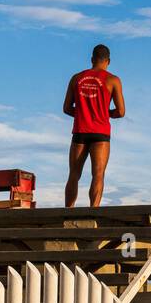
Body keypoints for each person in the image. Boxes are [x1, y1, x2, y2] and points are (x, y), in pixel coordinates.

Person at [63, 44, 126, 206]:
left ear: (92, 59)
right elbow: (120, 111)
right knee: (98, 174)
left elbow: (67, 108)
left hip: (80, 132)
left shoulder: (76, 78)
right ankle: (93, 211)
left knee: (74, 174)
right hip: (100, 133)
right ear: (108, 61)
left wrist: (84, 114)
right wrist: (104, 114)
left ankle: (68, 211)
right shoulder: (113, 80)